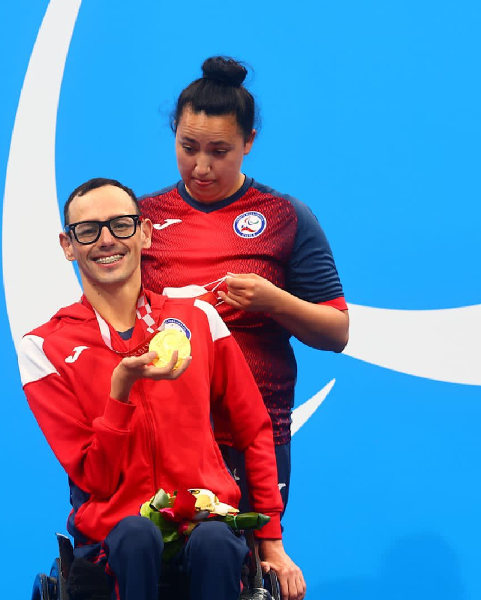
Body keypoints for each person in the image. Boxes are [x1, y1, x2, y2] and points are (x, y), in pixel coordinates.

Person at [19, 178, 306, 600]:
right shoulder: (46, 347)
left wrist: (272, 541)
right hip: (113, 540)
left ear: (145, 233)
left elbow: (253, 430)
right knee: (136, 535)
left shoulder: (198, 318)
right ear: (68, 245)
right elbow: (96, 479)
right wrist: (120, 393)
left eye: (120, 225)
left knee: (215, 540)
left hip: (205, 522)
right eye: (88, 230)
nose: (106, 240)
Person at [140, 56, 349, 515]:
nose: (201, 166)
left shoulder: (285, 216)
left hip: (254, 436)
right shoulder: (142, 218)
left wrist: (275, 302)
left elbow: (337, 332)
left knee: (247, 556)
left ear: (249, 141)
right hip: (160, 433)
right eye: (188, 147)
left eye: (219, 151)